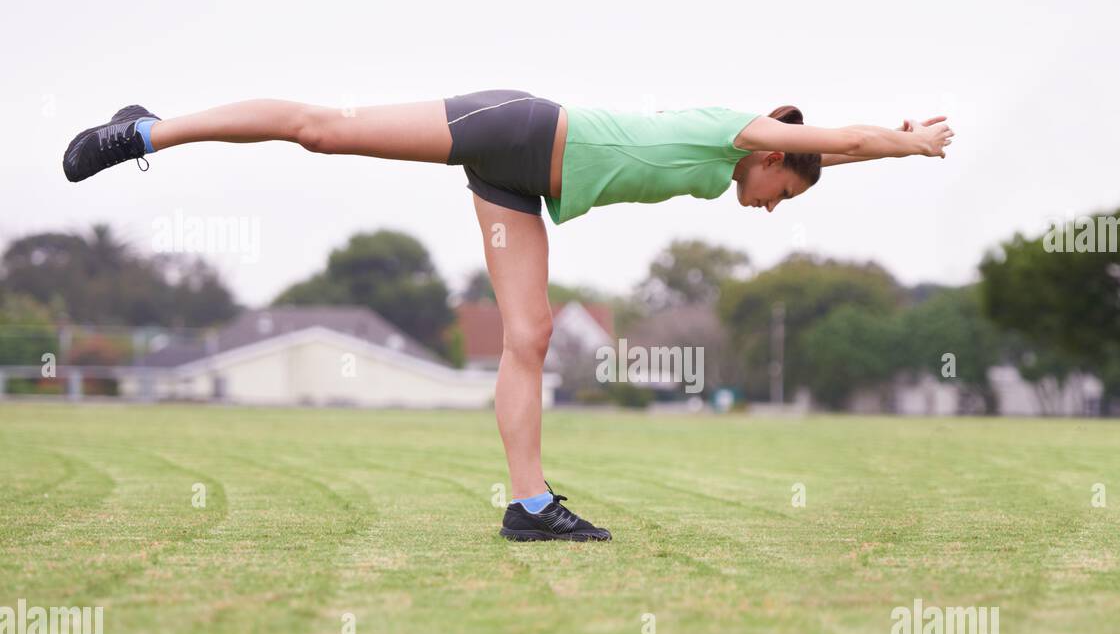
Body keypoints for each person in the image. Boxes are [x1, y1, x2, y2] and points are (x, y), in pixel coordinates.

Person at [63, 91, 954, 541]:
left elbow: (834, 150)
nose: (770, 206)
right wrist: (905, 143)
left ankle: (529, 506)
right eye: (780, 194)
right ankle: (145, 131)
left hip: (525, 186)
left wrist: (890, 152)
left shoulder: (745, 161)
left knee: (528, 334)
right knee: (323, 129)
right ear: (773, 157)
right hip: (519, 131)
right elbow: (833, 139)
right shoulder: (743, 131)